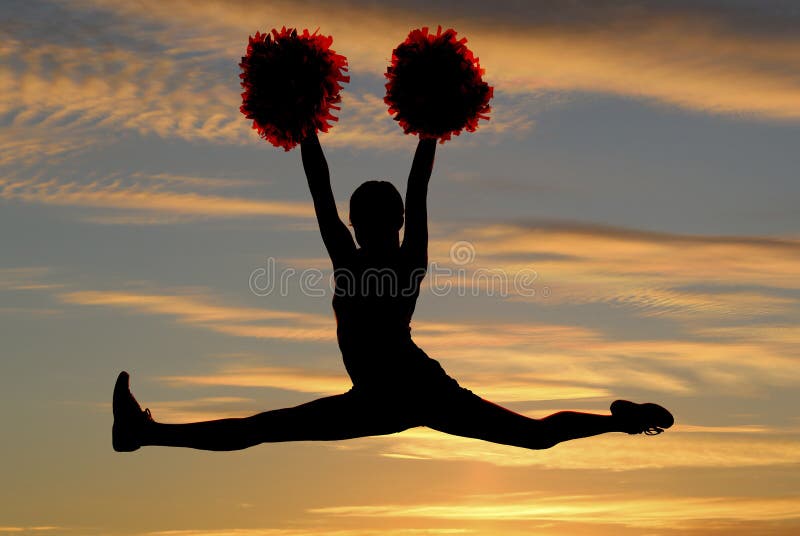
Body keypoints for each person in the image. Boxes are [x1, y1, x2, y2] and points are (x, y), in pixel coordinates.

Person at [112, 132, 673, 453]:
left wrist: (313, 127)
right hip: (388, 396)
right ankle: (142, 434)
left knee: (263, 428)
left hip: (410, 390)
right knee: (533, 438)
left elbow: (332, 186)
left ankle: (144, 435)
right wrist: (420, 129)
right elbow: (402, 187)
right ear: (384, 222)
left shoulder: (370, 260)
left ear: (363, 223)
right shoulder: (389, 258)